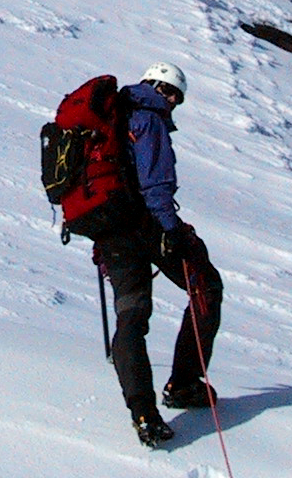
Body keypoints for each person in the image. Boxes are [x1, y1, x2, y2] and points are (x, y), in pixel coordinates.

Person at [96, 61, 224, 448]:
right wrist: (172, 232)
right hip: (147, 226)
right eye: (175, 97)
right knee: (206, 287)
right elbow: (156, 185)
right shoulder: (148, 119)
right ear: (163, 89)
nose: (173, 105)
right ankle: (184, 384)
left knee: (131, 316)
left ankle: (143, 414)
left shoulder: (114, 115)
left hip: (110, 230)